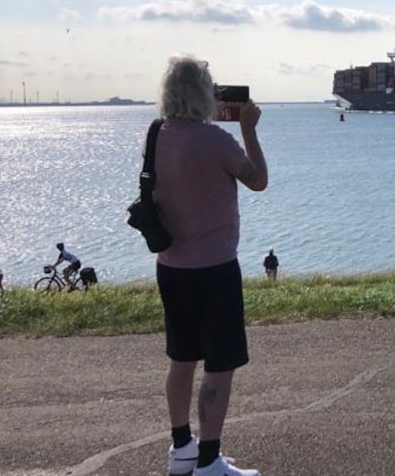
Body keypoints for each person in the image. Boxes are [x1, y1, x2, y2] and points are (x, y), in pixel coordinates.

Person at [152, 56, 268, 476]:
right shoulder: (215, 140)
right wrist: (249, 130)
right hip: (214, 269)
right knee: (220, 364)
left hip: (170, 266)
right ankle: (209, 461)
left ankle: (182, 449)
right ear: (206, 94)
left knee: (181, 358)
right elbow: (257, 180)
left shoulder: (155, 135)